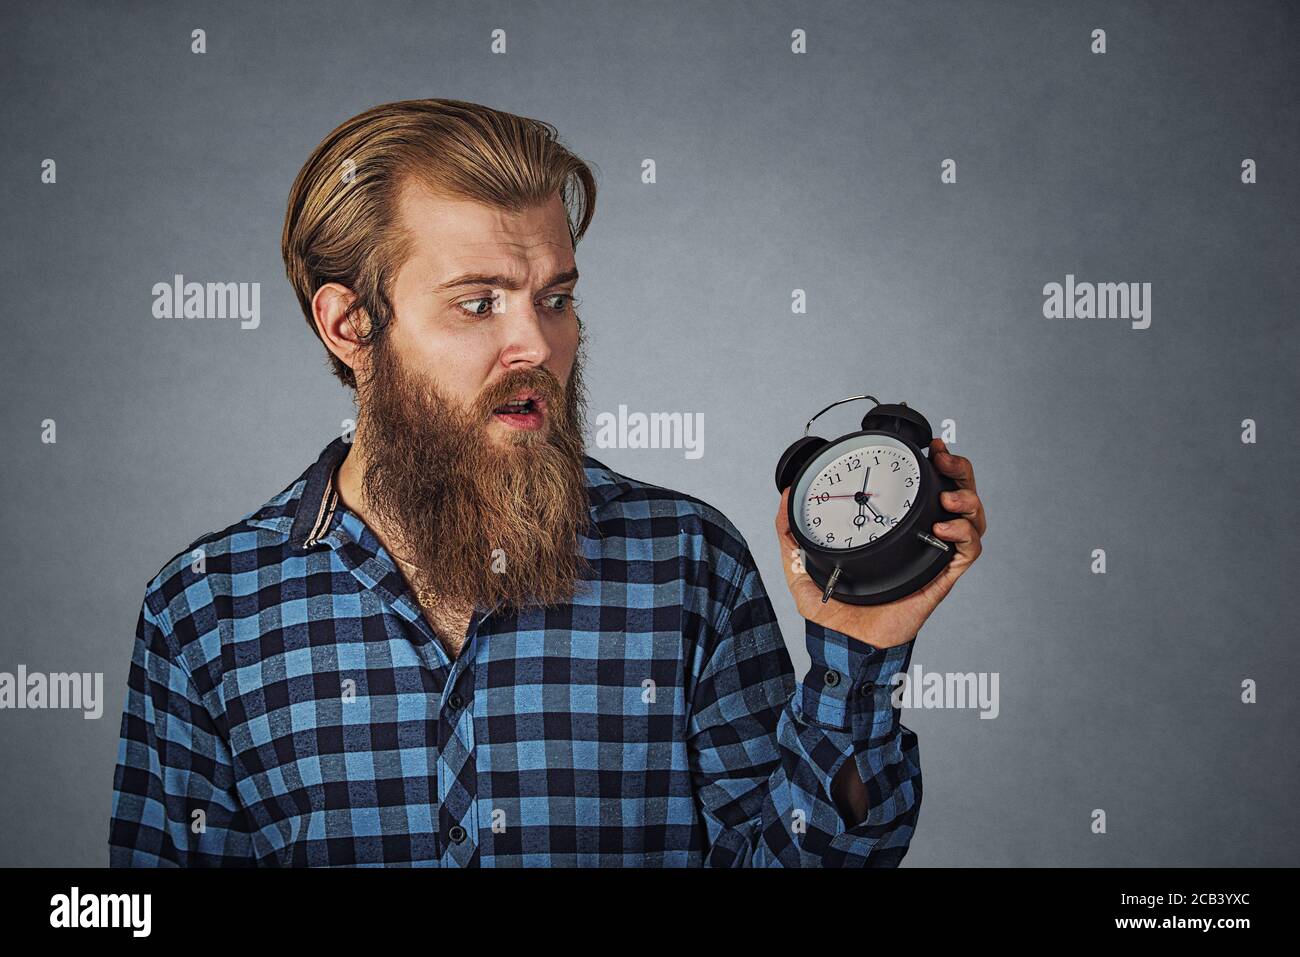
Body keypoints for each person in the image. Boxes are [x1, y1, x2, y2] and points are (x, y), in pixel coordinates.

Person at [108, 98, 986, 866]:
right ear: (350, 324)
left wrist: (857, 656)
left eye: (556, 297)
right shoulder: (204, 612)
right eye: (479, 301)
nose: (539, 346)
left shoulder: (691, 565)